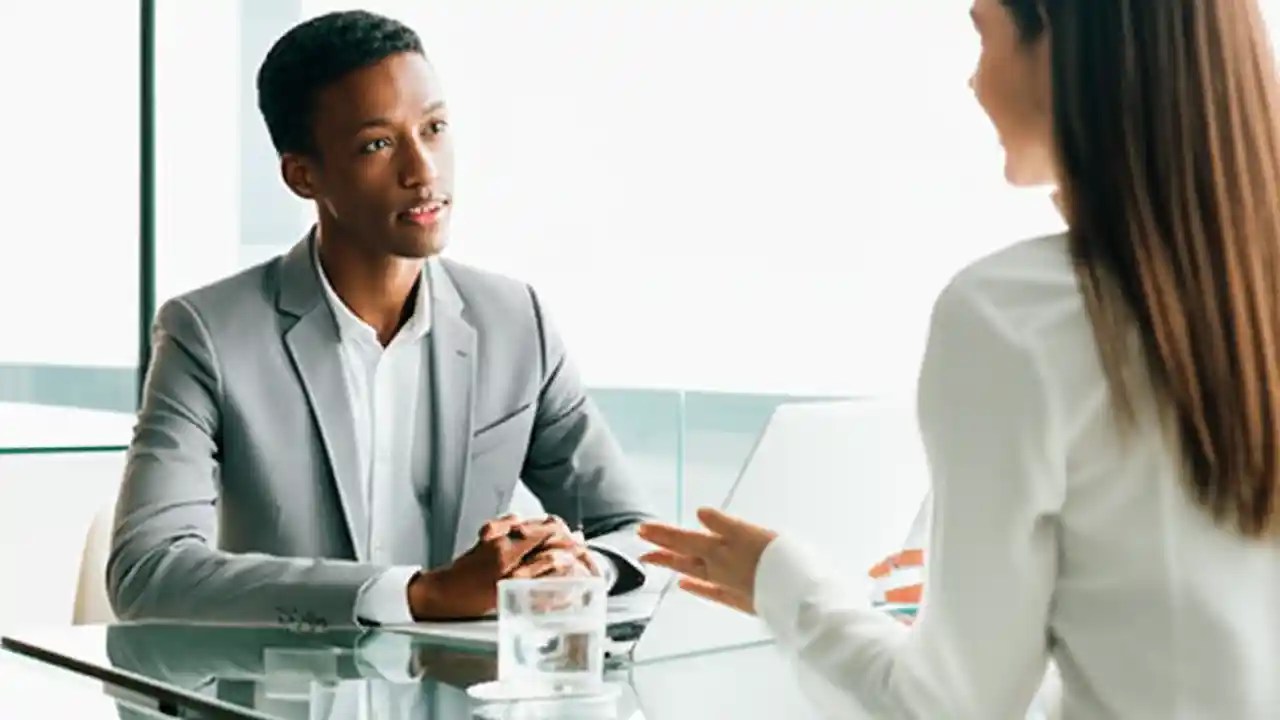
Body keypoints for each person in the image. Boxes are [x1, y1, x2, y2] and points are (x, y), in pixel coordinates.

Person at [639, 0, 1280, 717]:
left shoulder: (1013, 315)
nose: (973, 82)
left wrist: (786, 584)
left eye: (984, 35)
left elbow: (951, 706)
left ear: (1062, 53)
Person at [108, 10, 653, 629]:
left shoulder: (515, 322)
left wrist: (580, 567)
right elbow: (146, 572)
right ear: (302, 175)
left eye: (435, 128)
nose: (423, 171)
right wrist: (418, 595)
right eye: (378, 143)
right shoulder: (206, 333)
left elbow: (637, 536)